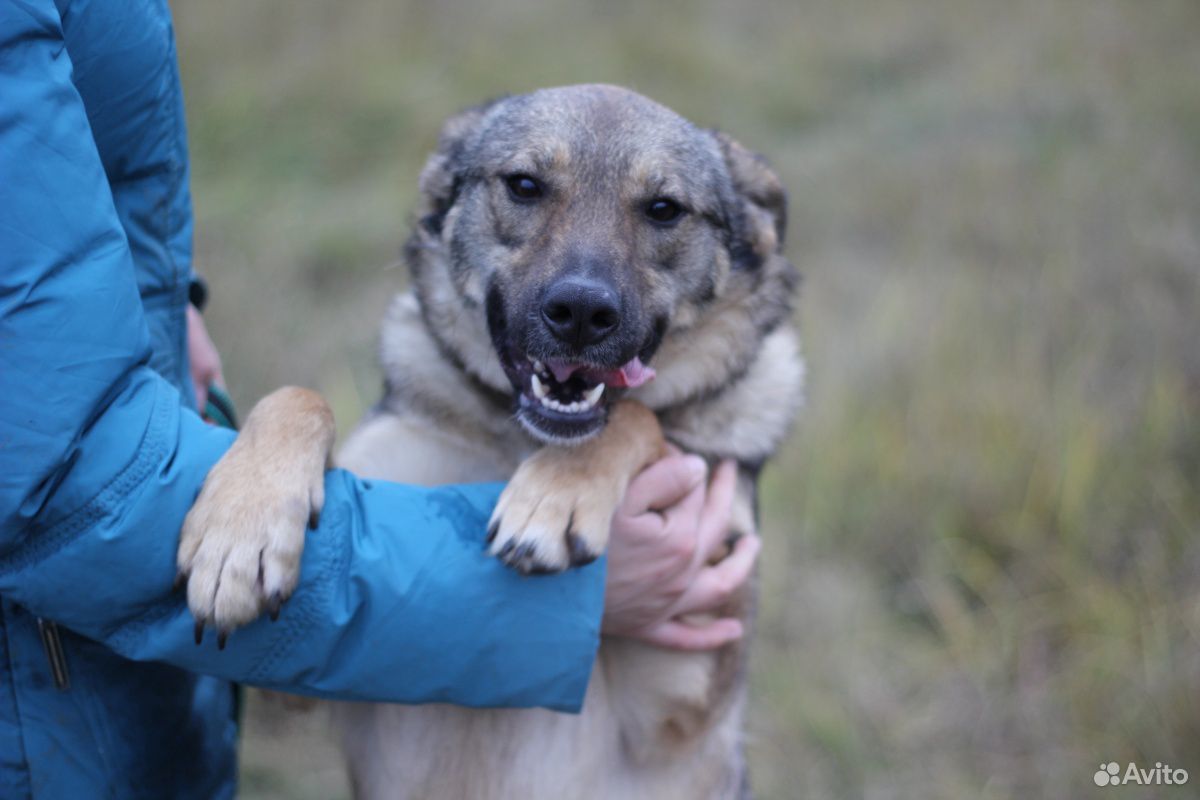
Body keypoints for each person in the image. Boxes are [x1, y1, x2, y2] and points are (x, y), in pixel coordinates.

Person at [0, 2, 761, 797]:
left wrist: (160, 300)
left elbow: (688, 714)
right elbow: (274, 679)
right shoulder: (421, 421)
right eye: (527, 189)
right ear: (447, 199)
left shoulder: (702, 442)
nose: (585, 289)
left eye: (661, 210)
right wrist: (281, 430)